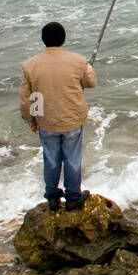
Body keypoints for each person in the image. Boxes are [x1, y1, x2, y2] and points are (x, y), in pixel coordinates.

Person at [20, 22, 96, 211]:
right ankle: (72, 197)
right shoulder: (78, 61)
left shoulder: (29, 65)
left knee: (51, 159)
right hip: (71, 120)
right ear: (63, 39)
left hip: (46, 122)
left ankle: (53, 197)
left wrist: (30, 120)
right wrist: (88, 69)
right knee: (72, 159)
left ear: (44, 40)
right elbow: (91, 83)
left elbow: (25, 98)